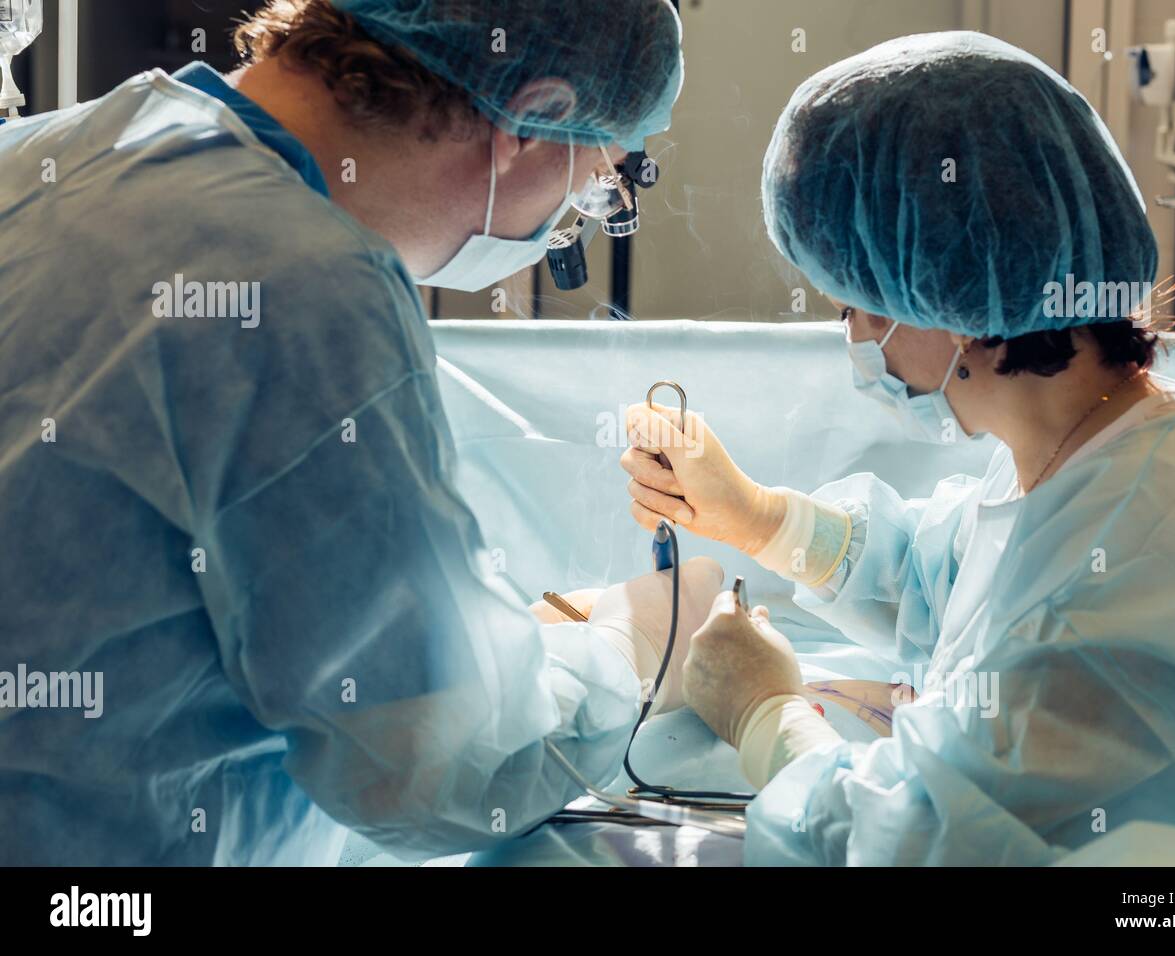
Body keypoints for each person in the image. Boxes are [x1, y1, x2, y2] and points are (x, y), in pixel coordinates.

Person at [0, 0, 711, 865]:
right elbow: (434, 772)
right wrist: (632, 649)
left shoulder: (42, 152)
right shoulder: (308, 286)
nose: (571, 220)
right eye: (593, 183)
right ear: (536, 120)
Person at [623, 32, 1175, 865]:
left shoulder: (1144, 552)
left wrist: (767, 715)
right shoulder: (1105, 445)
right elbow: (944, 579)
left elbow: (910, 843)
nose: (854, 342)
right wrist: (755, 516)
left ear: (952, 301)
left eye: (861, 309)